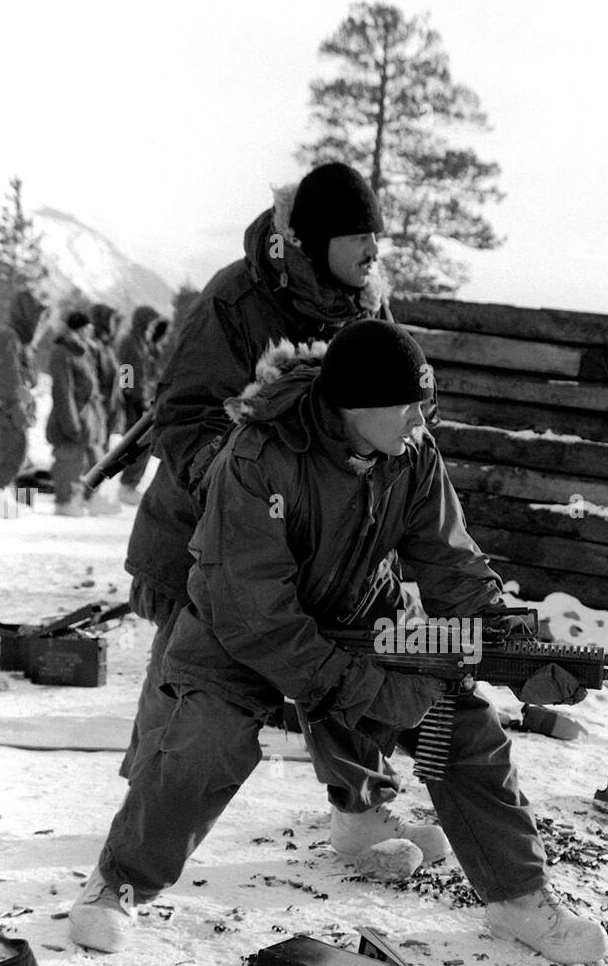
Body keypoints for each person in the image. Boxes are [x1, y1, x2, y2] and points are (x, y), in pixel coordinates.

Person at [68, 321, 608, 966]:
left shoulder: (411, 454)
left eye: (423, 401)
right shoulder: (256, 459)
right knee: (205, 741)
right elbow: (257, 615)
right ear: (353, 405)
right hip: (234, 629)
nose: (421, 417)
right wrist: (364, 688)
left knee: (464, 725)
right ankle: (121, 880)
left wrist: (514, 650)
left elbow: (452, 567)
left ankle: (518, 899)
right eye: (407, 404)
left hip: (362, 615)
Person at [119, 161, 392, 778]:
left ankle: (362, 809)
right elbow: (184, 419)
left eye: (377, 237)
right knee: (186, 683)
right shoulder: (235, 298)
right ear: (318, 242)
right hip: (206, 538)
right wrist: (254, 491)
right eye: (360, 237)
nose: (374, 251)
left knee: (355, 664)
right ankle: (141, 825)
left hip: (324, 542)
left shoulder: (368, 313)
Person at [46, 309, 116, 516]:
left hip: (100, 409)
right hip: (91, 408)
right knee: (73, 456)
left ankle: (86, 497)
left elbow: (120, 372)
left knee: (97, 456)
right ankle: (71, 498)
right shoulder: (102, 347)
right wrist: (130, 389)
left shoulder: (102, 346)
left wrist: (125, 390)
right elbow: (124, 370)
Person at [0, 289, 47, 499]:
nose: (39, 322)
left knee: (17, 452)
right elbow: (7, 375)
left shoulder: (22, 342)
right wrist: (15, 406)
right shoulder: (9, 336)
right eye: (36, 316)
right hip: (8, 408)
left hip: (17, 408)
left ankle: (6, 496)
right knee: (13, 452)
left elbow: (29, 378)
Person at [115, 304, 160, 505]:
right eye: (150, 322)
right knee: (137, 444)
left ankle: (131, 485)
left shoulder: (143, 342)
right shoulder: (129, 342)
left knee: (144, 443)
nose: (153, 327)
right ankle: (127, 486)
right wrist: (130, 394)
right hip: (134, 402)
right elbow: (126, 370)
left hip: (144, 400)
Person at [87, 303, 125, 445]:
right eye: (113, 321)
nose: (116, 326)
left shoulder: (109, 347)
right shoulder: (94, 346)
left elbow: (124, 373)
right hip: (98, 411)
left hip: (109, 410)